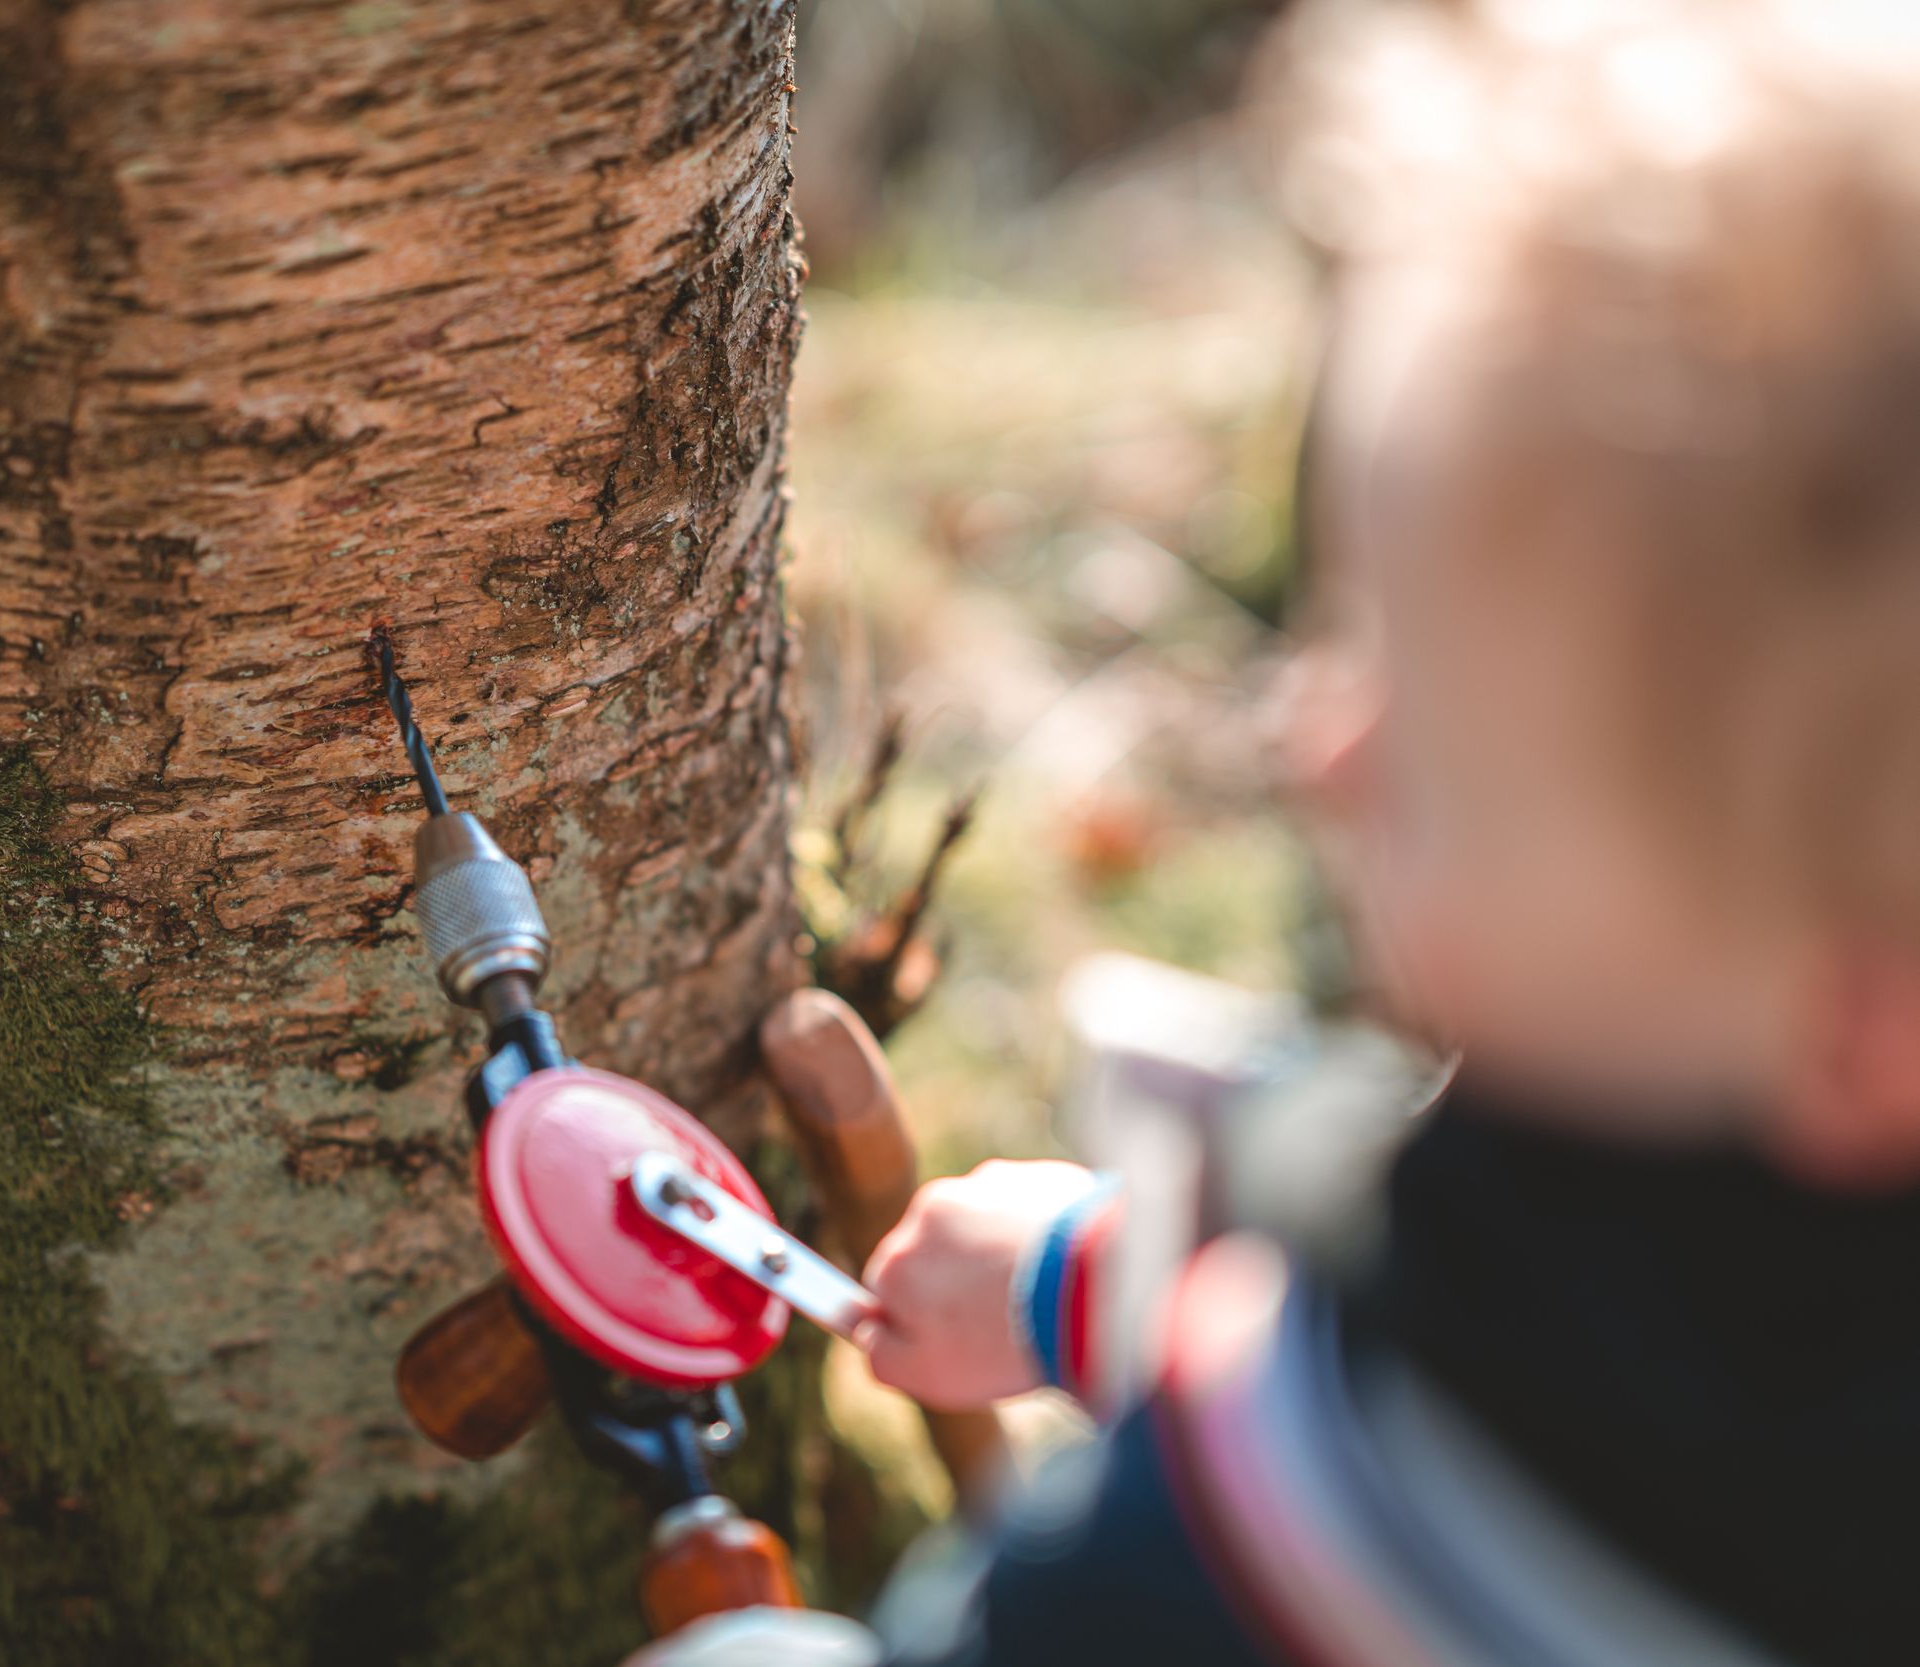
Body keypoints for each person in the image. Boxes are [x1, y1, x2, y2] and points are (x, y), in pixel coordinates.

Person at [641, 2, 1920, 1662]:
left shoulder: (1275, 1554)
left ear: (1871, 1028)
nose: (1330, 749)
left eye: (1449, 745)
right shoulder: (1729, 1156)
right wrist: (1080, 1285)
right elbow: (1557, 1276)